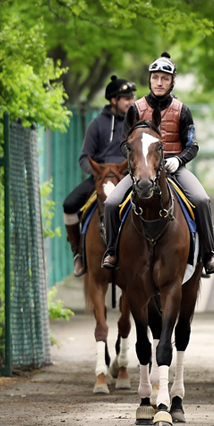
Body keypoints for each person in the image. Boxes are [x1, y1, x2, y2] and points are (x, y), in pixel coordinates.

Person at [101, 53, 214, 275]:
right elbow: (123, 144)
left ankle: (209, 254)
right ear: (150, 80)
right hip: (143, 169)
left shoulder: (182, 110)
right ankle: (112, 252)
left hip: (174, 169)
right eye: (155, 77)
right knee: (111, 203)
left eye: (164, 78)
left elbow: (192, 145)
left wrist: (178, 160)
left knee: (202, 199)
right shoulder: (135, 109)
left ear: (172, 82)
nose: (159, 82)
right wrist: (139, 160)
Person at [62, 76, 137, 276]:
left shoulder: (134, 124)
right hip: (101, 178)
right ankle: (78, 254)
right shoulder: (96, 124)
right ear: (114, 100)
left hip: (126, 176)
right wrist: (98, 172)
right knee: (69, 205)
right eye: (126, 98)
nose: (131, 102)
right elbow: (84, 157)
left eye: (131, 97)